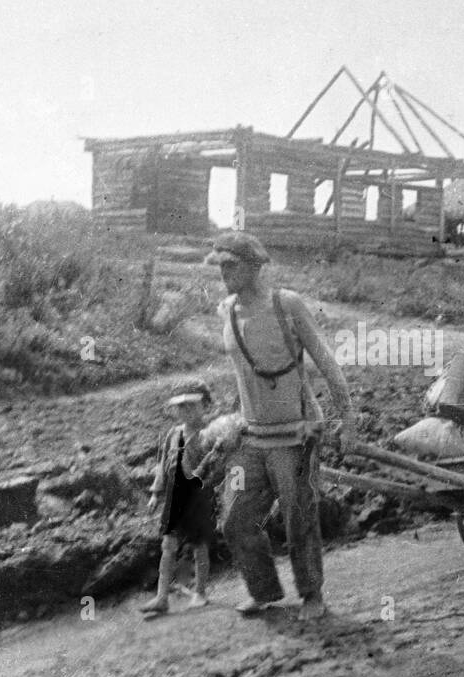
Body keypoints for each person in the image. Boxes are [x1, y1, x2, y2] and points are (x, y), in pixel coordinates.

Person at [206, 232, 355, 622]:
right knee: (235, 520)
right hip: (253, 435)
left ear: (255, 266)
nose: (224, 274)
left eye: (231, 266)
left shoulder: (286, 304)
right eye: (220, 267)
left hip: (297, 433)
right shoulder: (226, 311)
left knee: (298, 518)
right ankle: (264, 591)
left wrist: (348, 419)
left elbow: (326, 360)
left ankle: (311, 596)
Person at [140, 378, 222, 613]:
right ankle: (162, 596)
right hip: (175, 497)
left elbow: (216, 468)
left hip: (198, 498)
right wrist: (156, 493)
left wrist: (209, 483)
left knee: (199, 545)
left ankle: (200, 592)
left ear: (205, 406)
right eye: (181, 407)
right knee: (168, 544)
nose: (186, 411)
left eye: (192, 406)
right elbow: (163, 463)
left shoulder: (208, 435)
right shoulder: (173, 435)